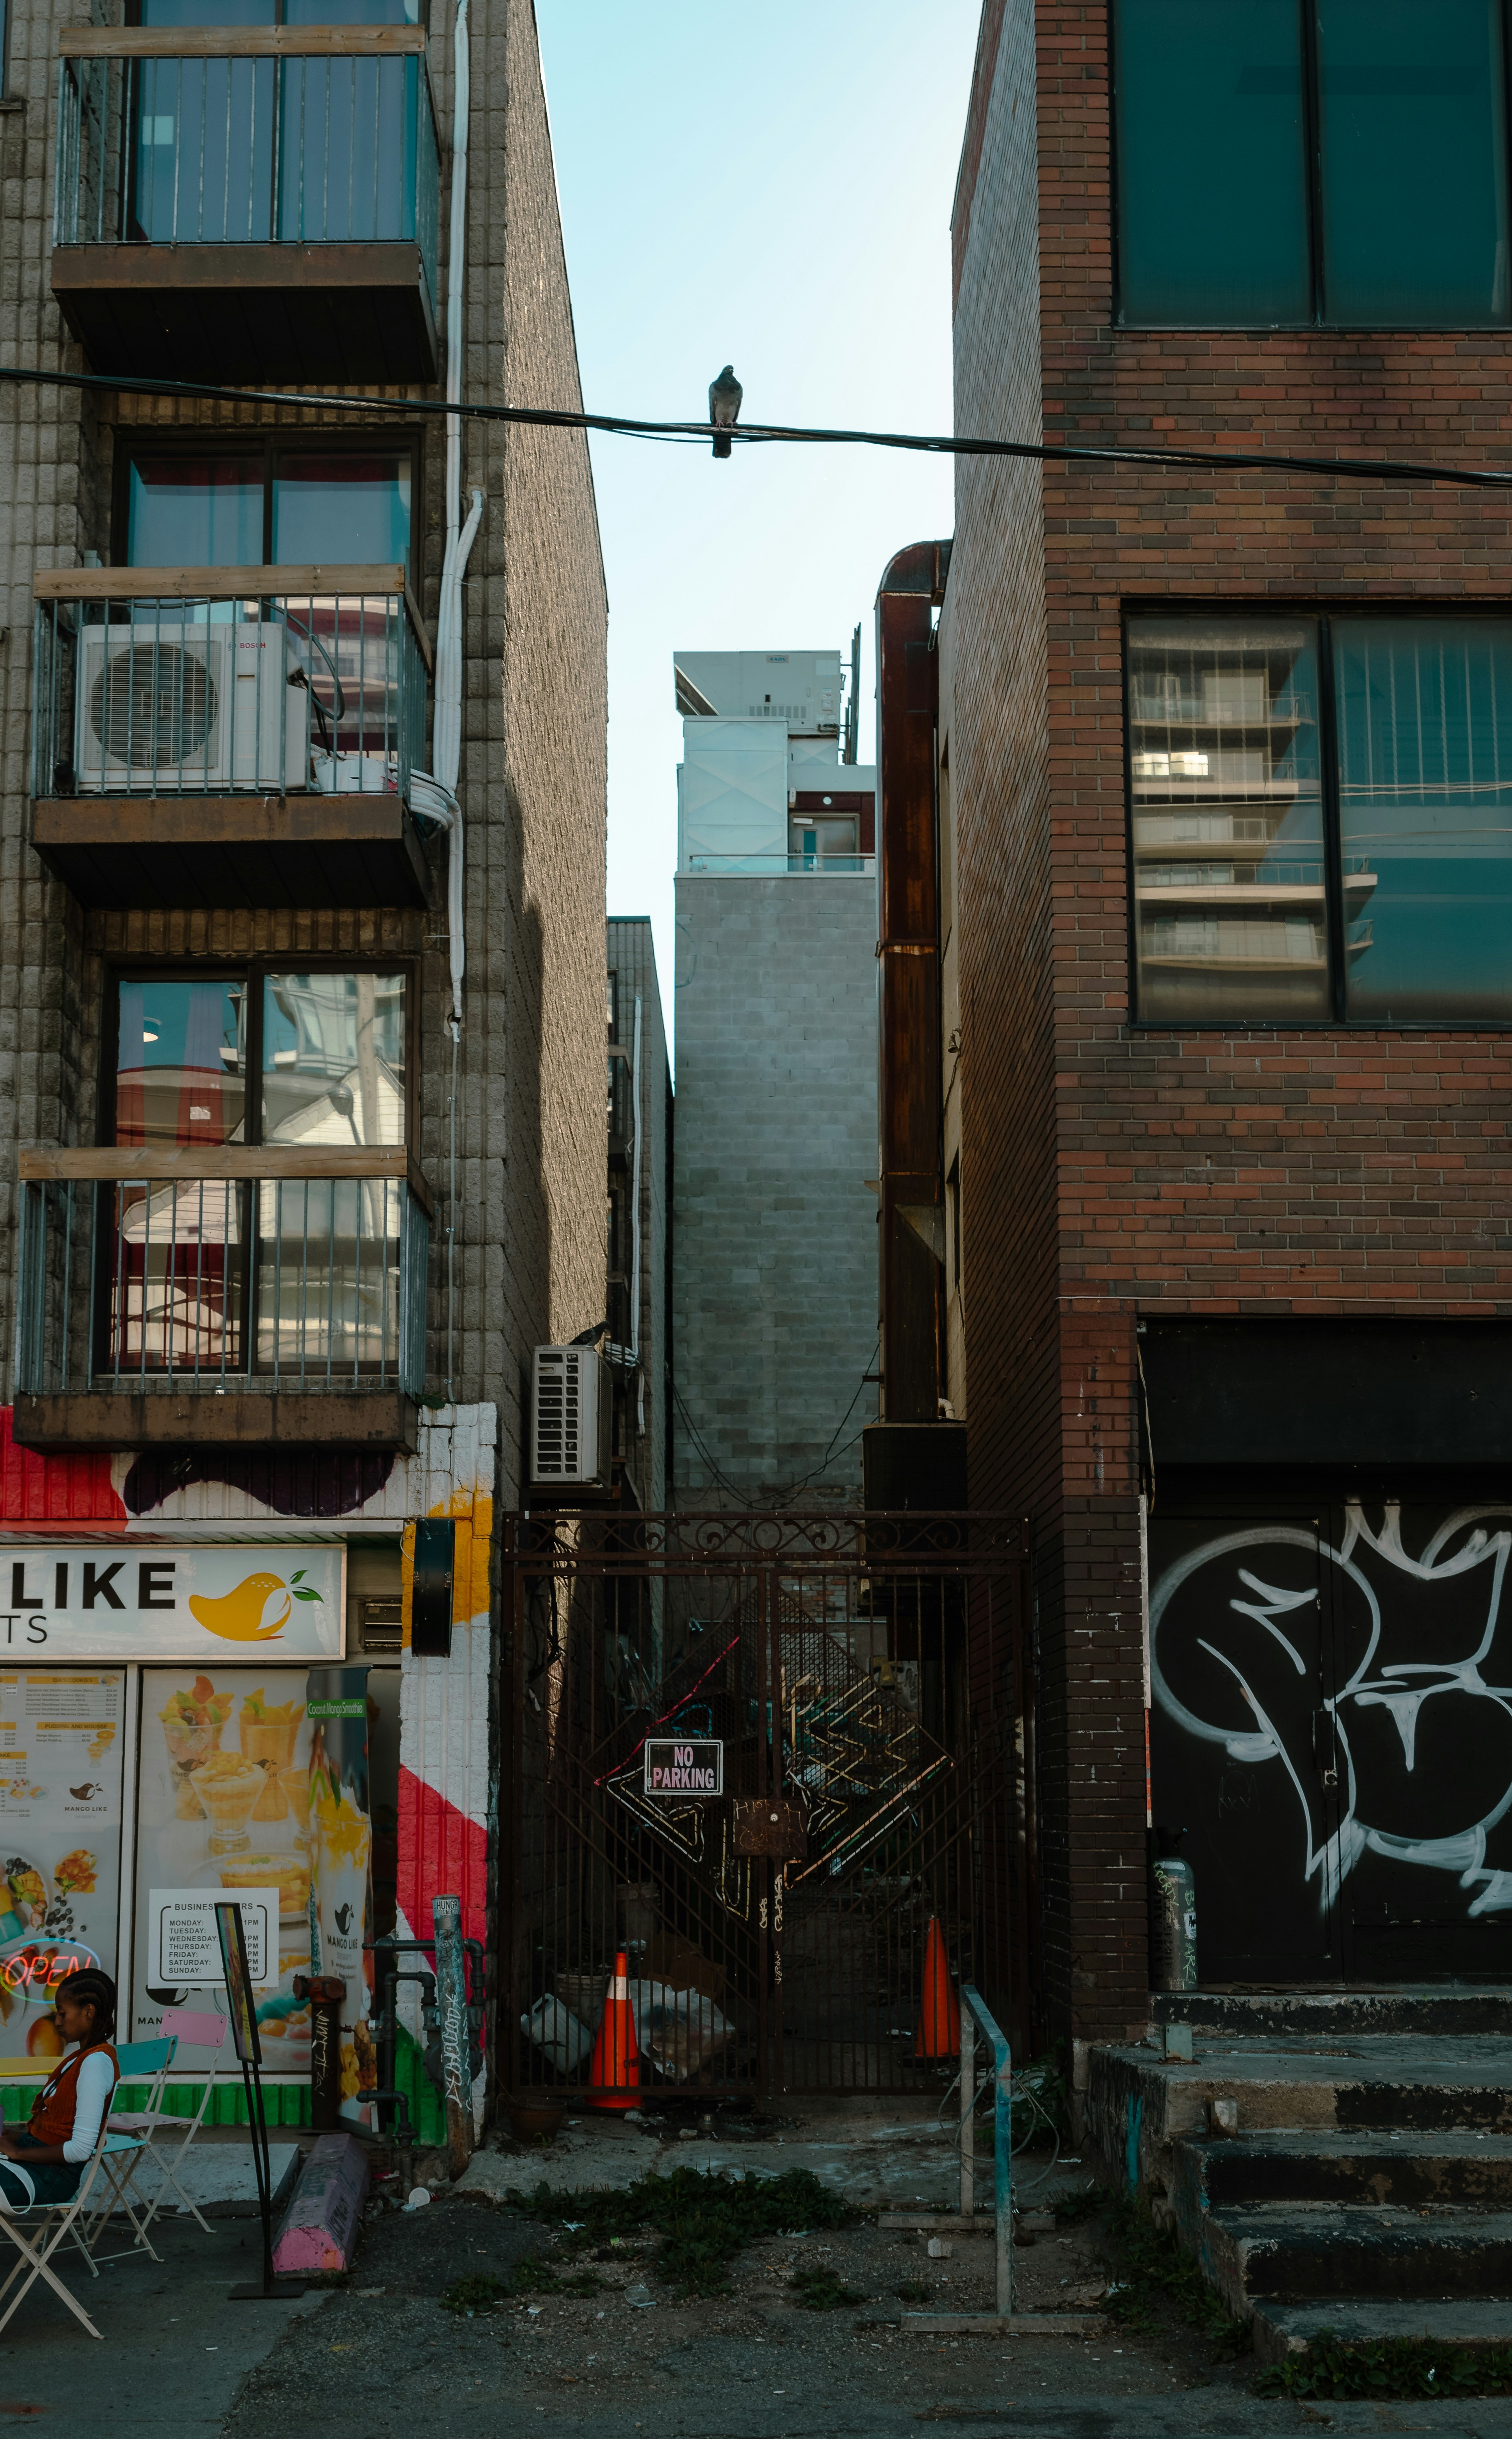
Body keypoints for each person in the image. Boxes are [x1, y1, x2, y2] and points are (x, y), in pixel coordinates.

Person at [0, 1969, 119, 2208]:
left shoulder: (96, 2063)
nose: (57, 2022)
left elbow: (80, 2150)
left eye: (63, 2014)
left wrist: (18, 2153)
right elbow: (55, 2135)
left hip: (49, 2179)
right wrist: (10, 2138)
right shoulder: (81, 2058)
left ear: (89, 2012)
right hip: (39, 2167)